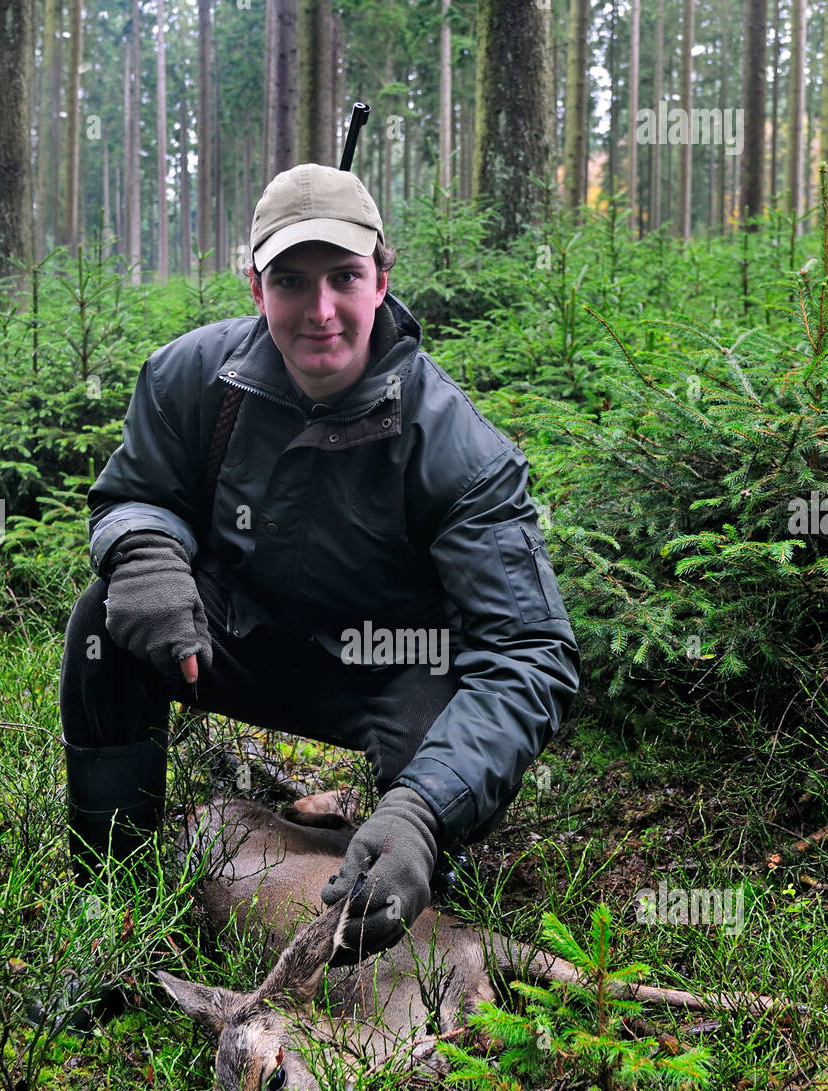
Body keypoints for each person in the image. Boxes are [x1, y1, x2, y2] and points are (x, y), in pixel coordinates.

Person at [59, 162, 580, 965]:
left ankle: (422, 849)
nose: (321, 310)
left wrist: (424, 810)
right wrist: (144, 550)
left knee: (426, 806)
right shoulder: (189, 378)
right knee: (102, 621)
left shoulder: (454, 444)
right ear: (254, 287)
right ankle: (112, 902)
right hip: (236, 640)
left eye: (344, 276)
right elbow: (137, 493)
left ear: (380, 280)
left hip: (394, 670)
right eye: (292, 281)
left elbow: (527, 652)